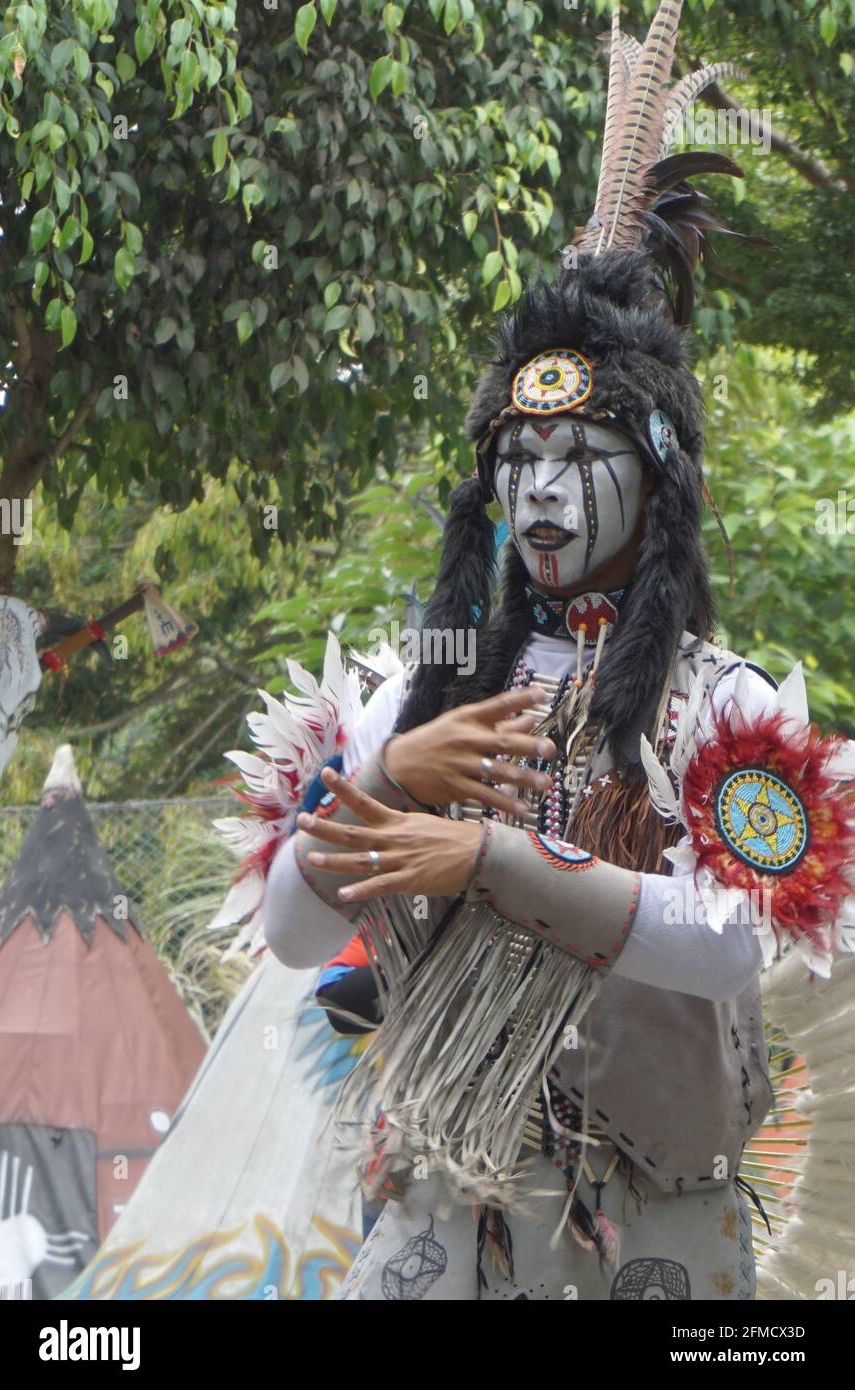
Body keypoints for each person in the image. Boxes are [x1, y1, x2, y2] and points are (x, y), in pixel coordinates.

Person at [263, 0, 844, 1301]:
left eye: (577, 460)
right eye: (516, 459)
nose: (539, 493)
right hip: (430, 1221)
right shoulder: (416, 695)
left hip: (653, 1236)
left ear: (658, 484)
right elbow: (295, 935)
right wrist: (399, 776)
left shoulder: (721, 710)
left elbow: (739, 944)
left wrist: (496, 858)